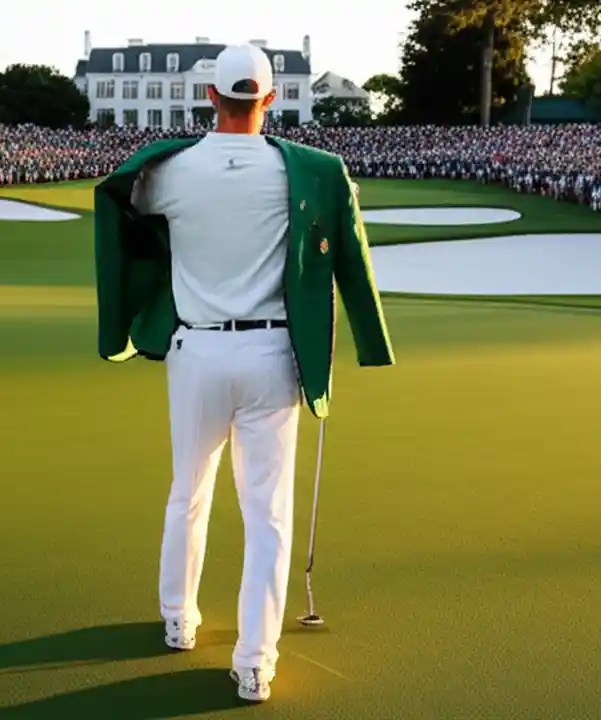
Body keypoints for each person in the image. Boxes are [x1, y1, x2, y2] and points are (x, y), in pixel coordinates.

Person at [94, 44, 394, 704]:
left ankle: (179, 620)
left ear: (210, 97)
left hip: (195, 352)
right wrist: (370, 344)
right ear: (271, 98)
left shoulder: (170, 172)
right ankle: (255, 662)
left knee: (187, 492)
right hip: (272, 358)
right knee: (267, 516)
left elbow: (125, 211)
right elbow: (352, 260)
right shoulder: (314, 171)